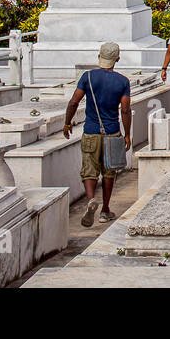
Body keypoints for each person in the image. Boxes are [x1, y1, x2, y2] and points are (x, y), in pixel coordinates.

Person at [62, 42, 132, 228]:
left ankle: (91, 199)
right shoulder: (122, 81)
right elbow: (125, 110)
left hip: (91, 130)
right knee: (109, 171)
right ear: (117, 58)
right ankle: (105, 210)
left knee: (89, 169)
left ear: (99, 56)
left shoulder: (88, 77)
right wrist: (127, 135)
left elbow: (73, 102)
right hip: (112, 132)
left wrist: (67, 122)